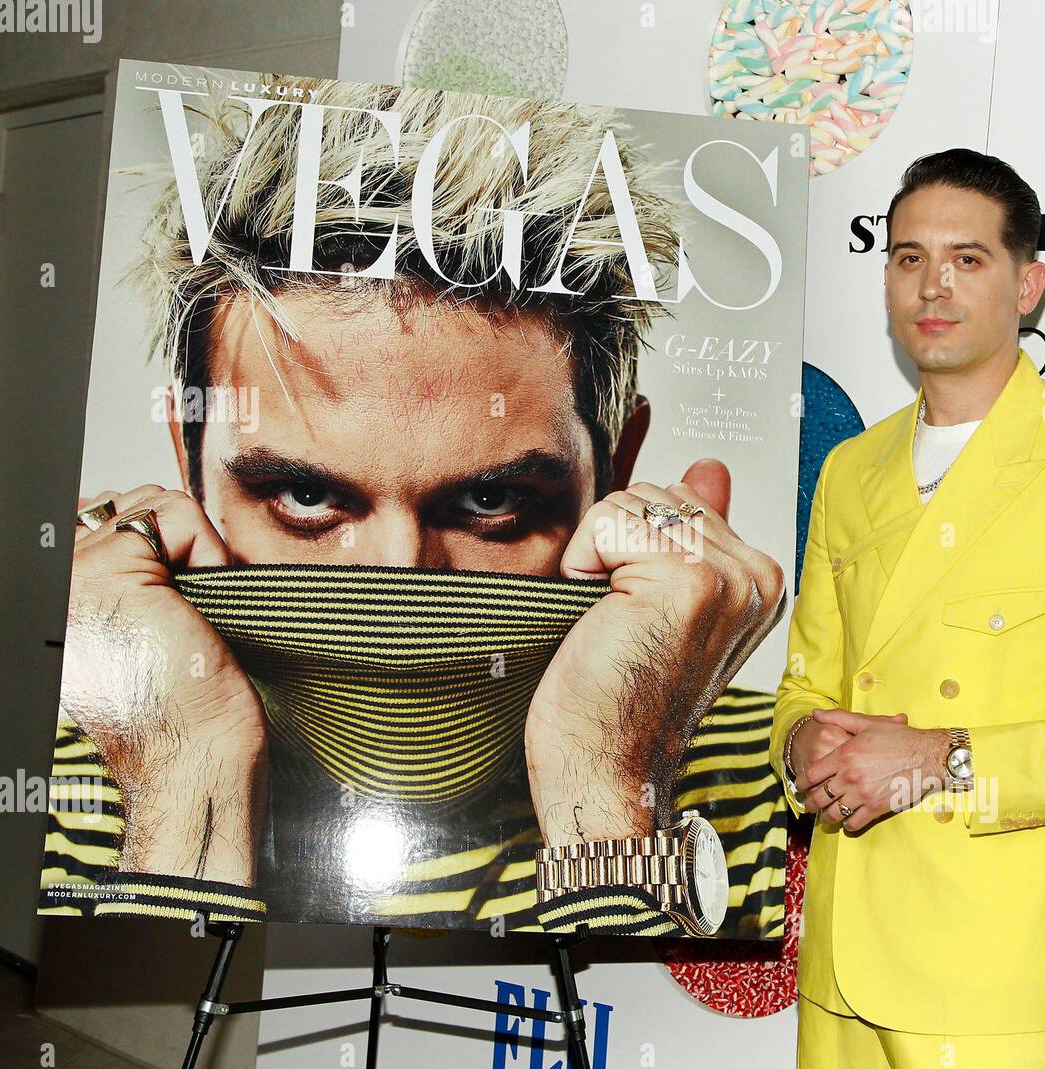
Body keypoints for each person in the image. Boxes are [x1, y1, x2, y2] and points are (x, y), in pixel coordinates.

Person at [40, 78, 789, 939]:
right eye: (306, 494)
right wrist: (179, 785)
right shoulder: (62, 789)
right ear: (187, 457)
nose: (399, 582)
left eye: (491, 497)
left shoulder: (772, 783)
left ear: (616, 467)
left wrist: (616, 790)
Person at [770, 148, 1045, 1069]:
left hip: (988, 970)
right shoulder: (853, 469)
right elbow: (804, 679)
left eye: (969, 259)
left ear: (1029, 286)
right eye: (908, 257)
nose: (934, 284)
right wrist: (799, 742)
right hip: (841, 956)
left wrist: (945, 756)